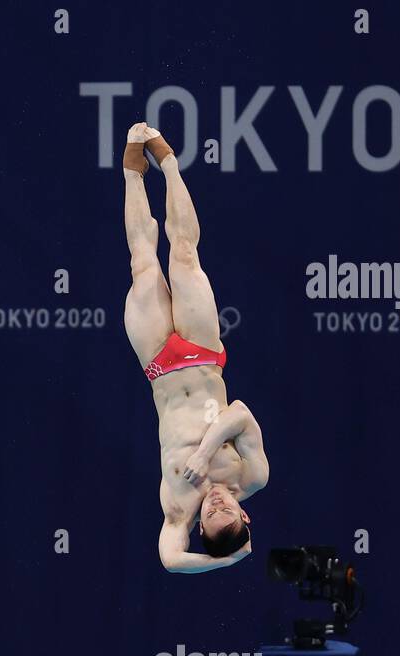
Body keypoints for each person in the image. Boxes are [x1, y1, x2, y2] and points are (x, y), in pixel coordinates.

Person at [119, 123, 269, 573]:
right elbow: (240, 411)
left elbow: (170, 560)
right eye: (228, 511)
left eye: (211, 515)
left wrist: (228, 560)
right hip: (203, 354)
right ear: (244, 513)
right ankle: (169, 165)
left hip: (159, 368)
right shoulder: (251, 477)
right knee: (184, 254)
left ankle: (131, 174)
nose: (217, 503)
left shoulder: (180, 505)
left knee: (143, 266)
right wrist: (205, 454)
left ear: (198, 528)